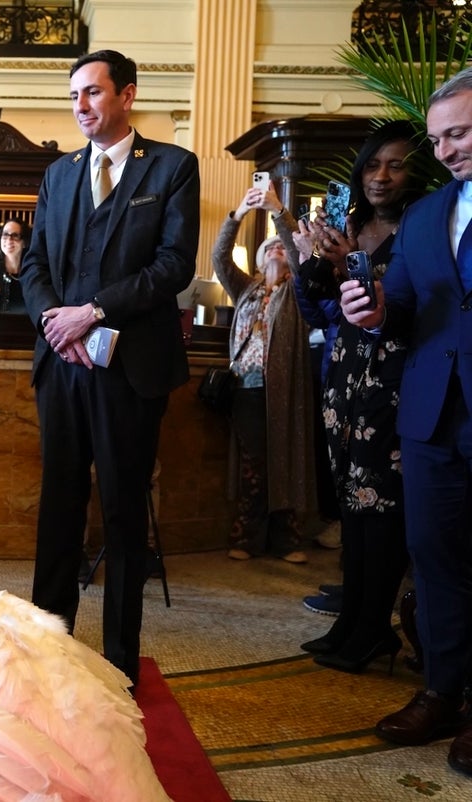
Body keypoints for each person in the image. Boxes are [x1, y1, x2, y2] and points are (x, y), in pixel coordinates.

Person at [18, 50, 200, 685]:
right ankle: (48, 647)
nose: (81, 106)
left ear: (126, 94)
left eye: (92, 93)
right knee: (59, 507)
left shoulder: (173, 167)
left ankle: (120, 661)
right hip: (62, 365)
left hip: (131, 371)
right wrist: (53, 321)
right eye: (74, 96)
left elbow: (173, 266)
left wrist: (90, 312)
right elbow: (35, 262)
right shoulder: (59, 173)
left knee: (123, 514)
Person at [340, 68, 472, 776]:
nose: (448, 149)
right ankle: (443, 691)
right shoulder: (425, 216)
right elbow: (408, 311)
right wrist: (377, 313)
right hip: (429, 417)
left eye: (462, 132)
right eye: (441, 138)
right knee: (437, 560)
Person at [294, 121, 425, 674]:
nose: (381, 175)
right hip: (343, 377)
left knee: (382, 511)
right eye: (373, 164)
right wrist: (309, 259)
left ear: (414, 173)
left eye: (395, 165)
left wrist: (351, 261)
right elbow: (316, 308)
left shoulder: (418, 228)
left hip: (392, 381)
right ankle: (351, 621)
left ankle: (374, 629)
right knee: (350, 505)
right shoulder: (352, 222)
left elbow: (407, 306)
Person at [212, 183, 314, 565]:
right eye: (267, 248)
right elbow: (220, 258)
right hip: (247, 389)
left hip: (287, 389)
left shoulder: (300, 289)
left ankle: (287, 539)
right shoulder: (246, 290)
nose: (274, 248)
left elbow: (301, 254)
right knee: (254, 464)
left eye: (280, 247)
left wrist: (276, 210)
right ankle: (248, 537)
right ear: (257, 263)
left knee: (286, 460)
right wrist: (237, 214)